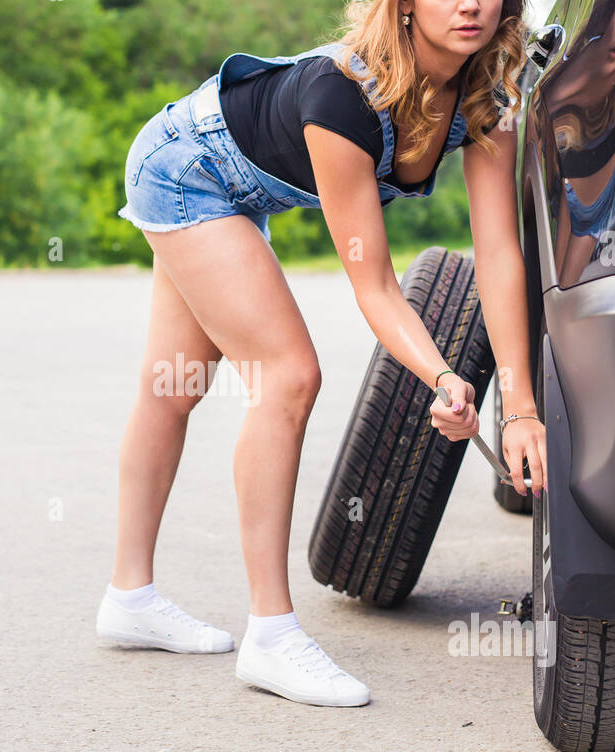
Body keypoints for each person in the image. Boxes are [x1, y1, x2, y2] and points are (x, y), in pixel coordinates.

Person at [98, 0, 547, 707]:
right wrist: (441, 375)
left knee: (173, 387)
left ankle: (129, 597)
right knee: (287, 375)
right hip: (185, 168)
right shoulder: (343, 95)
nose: (472, 4)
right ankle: (270, 636)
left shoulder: (490, 95)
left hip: (236, 186)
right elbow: (374, 285)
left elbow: (496, 254)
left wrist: (518, 405)